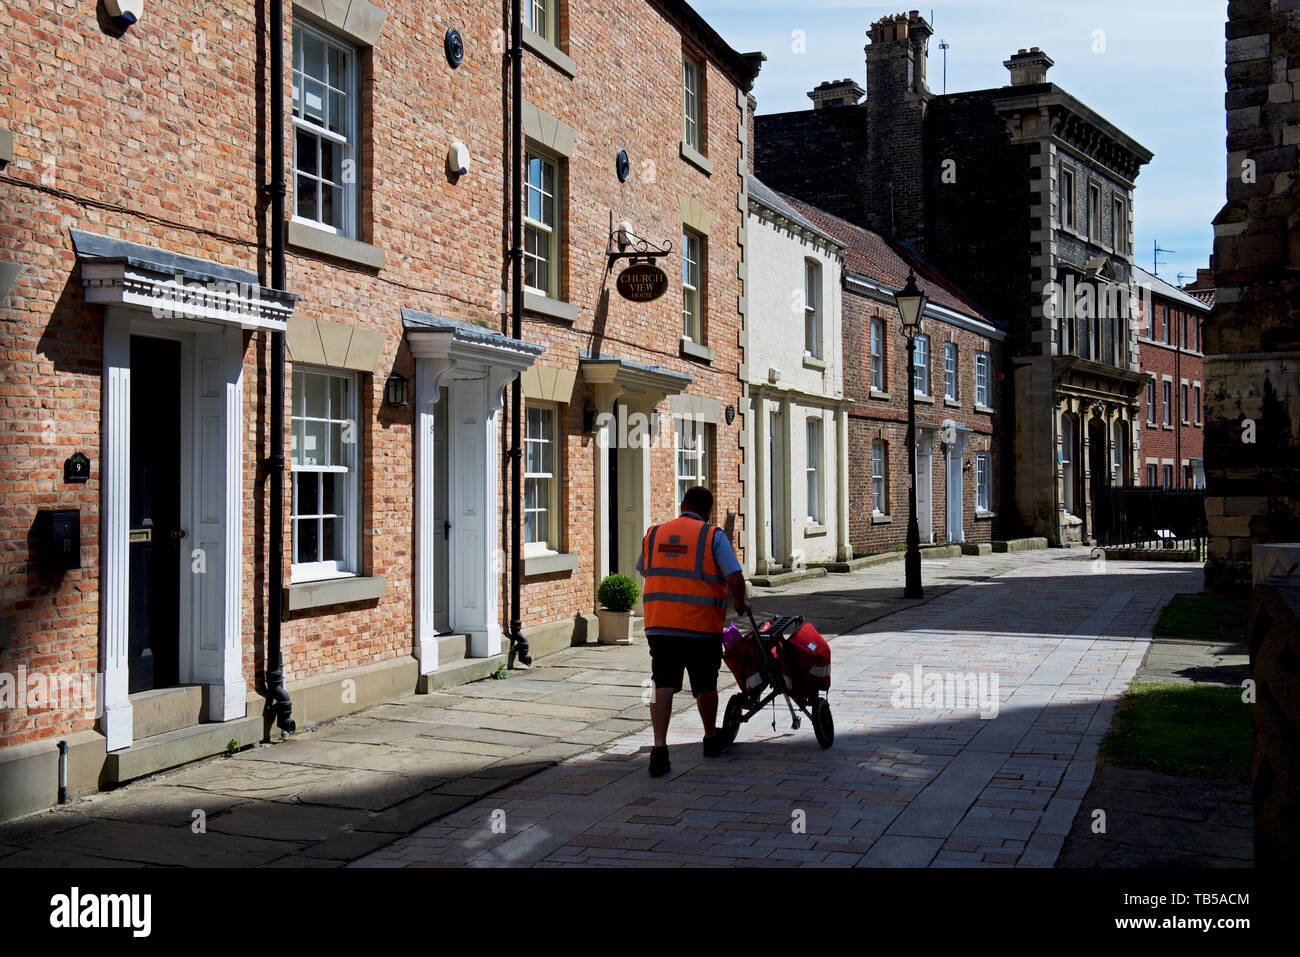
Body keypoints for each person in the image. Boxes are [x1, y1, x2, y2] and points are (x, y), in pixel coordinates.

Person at [635, 485, 749, 777]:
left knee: (662, 683)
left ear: (682, 504)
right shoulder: (712, 536)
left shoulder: (654, 534)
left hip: (659, 625)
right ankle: (711, 737)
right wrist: (739, 602)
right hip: (700, 627)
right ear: (708, 511)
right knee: (706, 685)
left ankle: (660, 749)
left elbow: (644, 570)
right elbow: (734, 576)